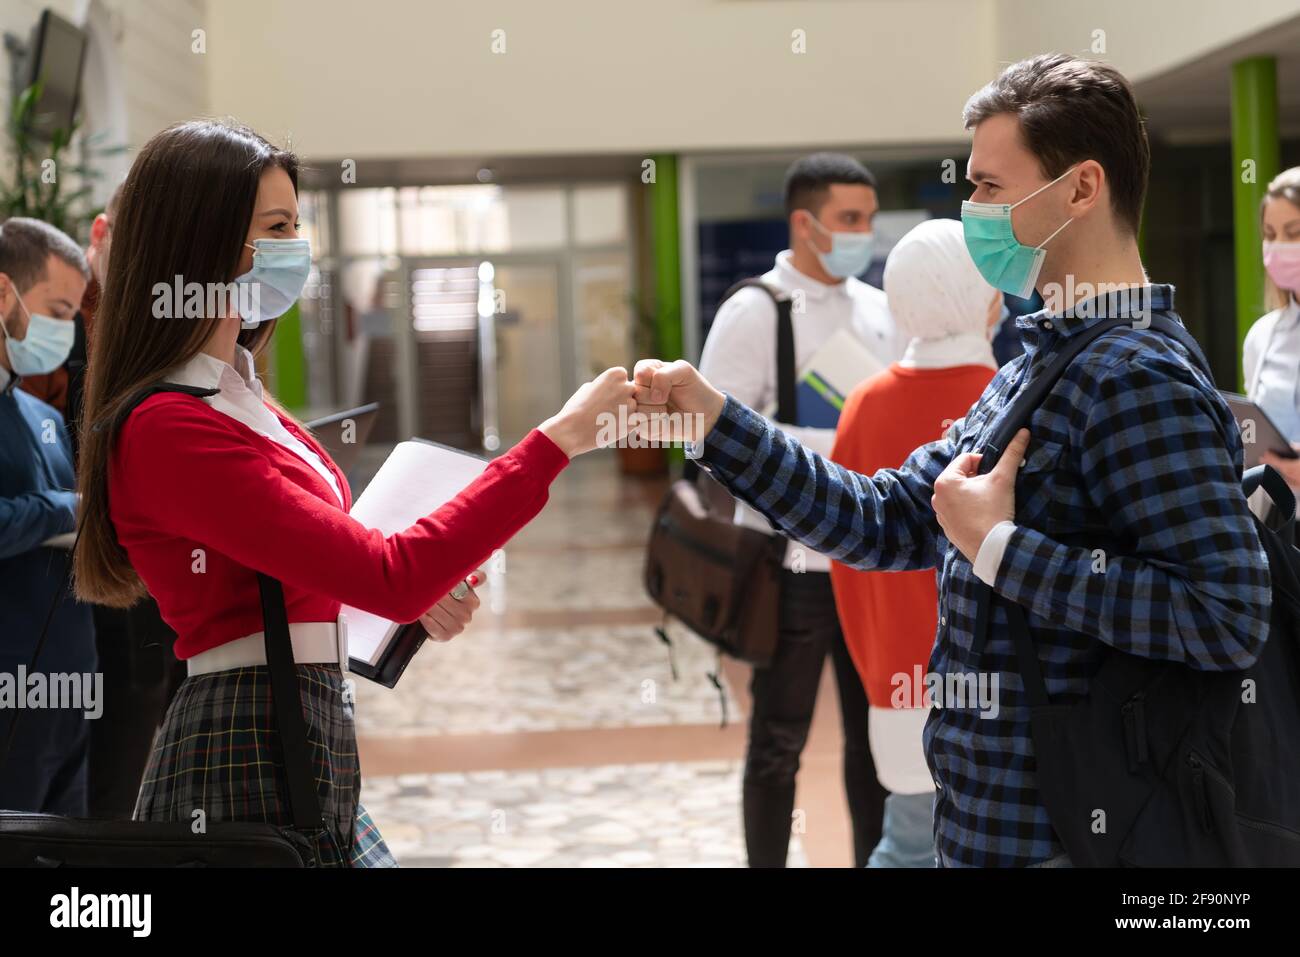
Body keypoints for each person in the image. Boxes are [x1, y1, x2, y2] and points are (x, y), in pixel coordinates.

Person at [633, 54, 1270, 867]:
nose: (971, 211)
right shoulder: (1039, 362)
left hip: (1070, 832)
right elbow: (881, 516)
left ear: (1082, 189)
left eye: (990, 188)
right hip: (988, 827)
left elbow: (1224, 615)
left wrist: (1003, 549)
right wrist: (720, 423)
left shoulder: (1138, 377)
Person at [73, 119, 638, 866]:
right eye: (275, 228)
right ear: (200, 242)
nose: (295, 248)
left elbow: (335, 565)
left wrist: (410, 586)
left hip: (300, 725)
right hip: (242, 739)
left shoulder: (239, 395)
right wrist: (556, 441)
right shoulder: (167, 426)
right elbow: (387, 573)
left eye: (295, 225)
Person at [698, 152, 895, 868]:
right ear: (804, 224)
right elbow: (709, 438)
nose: (863, 234)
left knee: (879, 734)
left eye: (869, 220)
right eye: (850, 220)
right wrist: (824, 448)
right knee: (779, 738)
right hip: (791, 565)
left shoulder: (879, 308)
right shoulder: (755, 309)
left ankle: (877, 858)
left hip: (870, 559)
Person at [828, 218, 1000, 867]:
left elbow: (846, 561)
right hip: (1000, 690)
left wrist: (879, 666)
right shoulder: (1008, 399)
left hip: (894, 681)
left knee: (904, 842)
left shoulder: (863, 405)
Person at [0, 217, 94, 815]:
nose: (65, 332)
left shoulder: (41, 415)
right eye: (56, 311)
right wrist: (67, 508)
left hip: (70, 688)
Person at [1244, 167, 1300, 487]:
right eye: (1270, 233)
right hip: (1277, 525)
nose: (1279, 245)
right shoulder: (1261, 337)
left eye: (1293, 233)